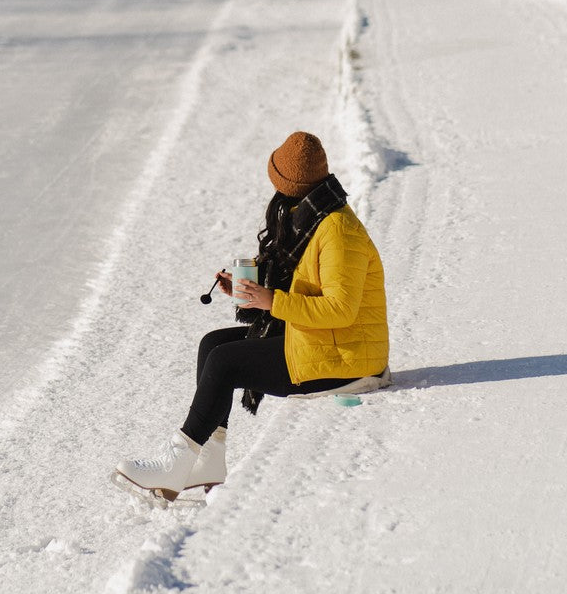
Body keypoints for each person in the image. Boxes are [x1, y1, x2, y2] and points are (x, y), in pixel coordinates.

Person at [114, 131, 390, 502]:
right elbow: (304, 281)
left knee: (225, 361)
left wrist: (270, 300)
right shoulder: (313, 218)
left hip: (348, 360)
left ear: (289, 184)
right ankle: (209, 459)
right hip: (326, 342)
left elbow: (341, 310)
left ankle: (176, 462)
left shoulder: (339, 231)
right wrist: (252, 290)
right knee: (213, 344)